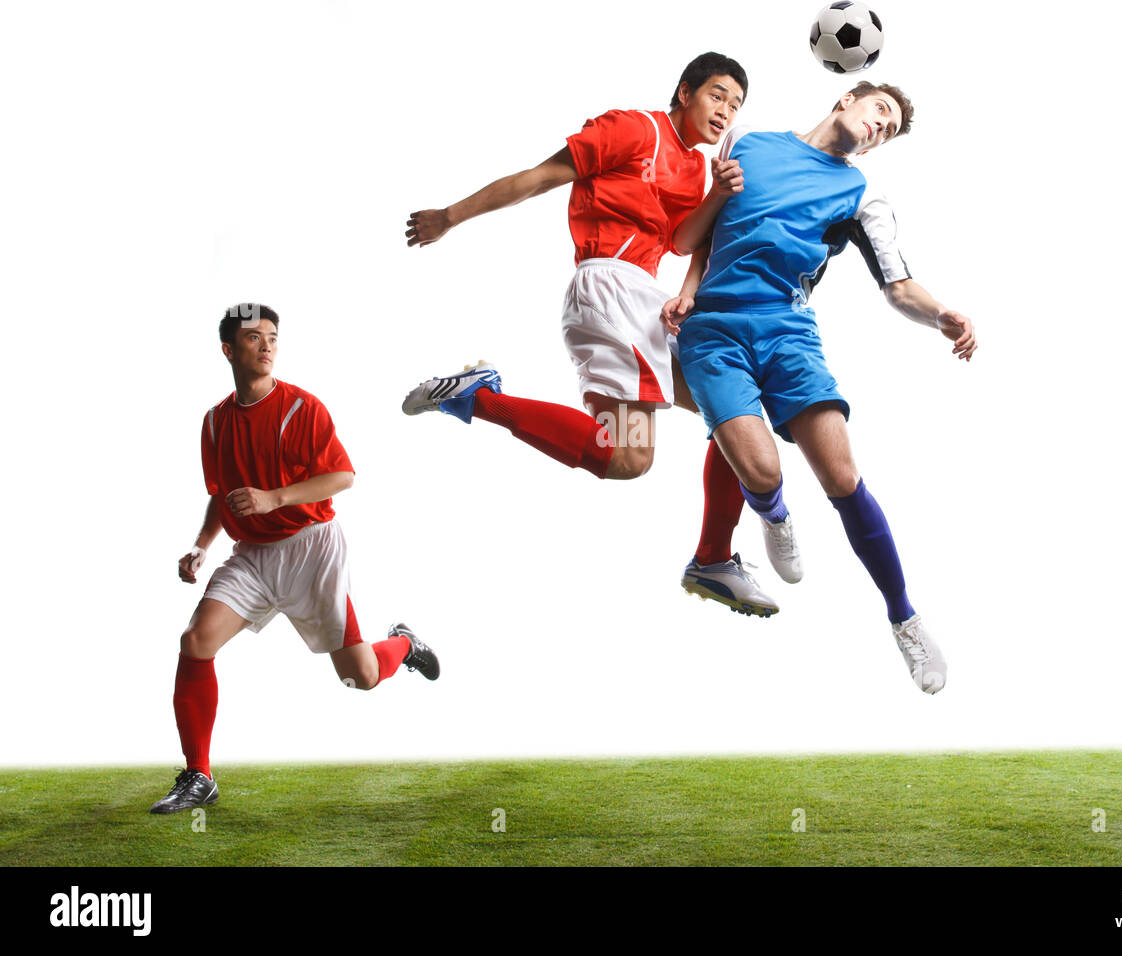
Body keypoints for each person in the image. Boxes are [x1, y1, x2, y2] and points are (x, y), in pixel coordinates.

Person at [401, 52, 799, 617]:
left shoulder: (693, 170)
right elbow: (537, 178)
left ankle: (713, 558)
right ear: (684, 92)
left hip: (644, 302)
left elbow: (683, 243)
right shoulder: (633, 129)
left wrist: (718, 197)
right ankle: (476, 397)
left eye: (735, 104)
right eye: (717, 94)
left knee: (706, 424)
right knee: (670, 437)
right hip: (607, 289)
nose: (724, 110)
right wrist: (450, 215)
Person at [667, 81, 978, 694]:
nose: (880, 127)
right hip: (713, 331)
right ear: (848, 98)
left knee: (841, 478)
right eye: (880, 111)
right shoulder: (748, 143)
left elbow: (898, 286)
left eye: (889, 130)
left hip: (789, 334)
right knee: (759, 472)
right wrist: (686, 288)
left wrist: (942, 314)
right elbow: (705, 231)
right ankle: (773, 516)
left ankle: (905, 620)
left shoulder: (860, 194)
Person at [150, 303, 441, 814]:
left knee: (361, 677)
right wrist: (201, 545)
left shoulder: (301, 408)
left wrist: (274, 497)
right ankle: (199, 775)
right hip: (253, 557)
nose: (266, 345)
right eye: (253, 337)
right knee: (195, 641)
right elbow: (224, 495)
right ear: (228, 350)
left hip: (311, 549)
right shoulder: (215, 423)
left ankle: (402, 643)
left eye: (273, 337)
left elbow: (343, 477)